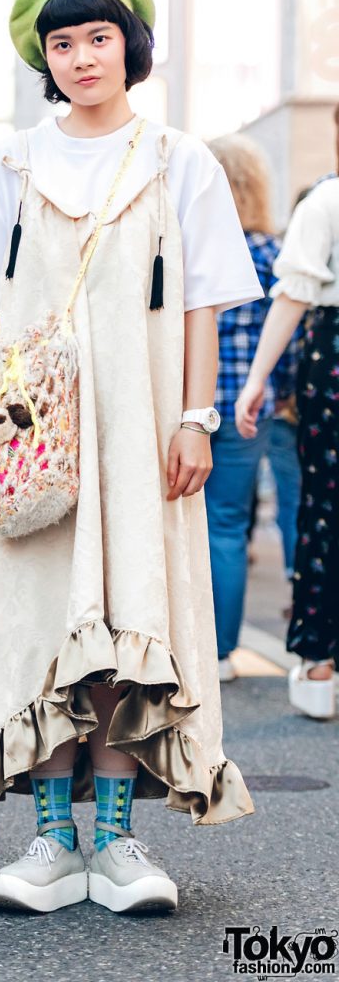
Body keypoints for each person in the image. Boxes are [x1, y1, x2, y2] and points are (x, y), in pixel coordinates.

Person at [0, 0, 261, 915]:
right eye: (62, 43)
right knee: (37, 624)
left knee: (127, 621)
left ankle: (116, 841)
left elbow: (203, 308)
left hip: (144, 428)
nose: (80, 57)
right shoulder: (8, 165)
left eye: (98, 37)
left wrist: (196, 418)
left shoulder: (179, 160)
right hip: (32, 438)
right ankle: (51, 842)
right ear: (45, 58)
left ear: (131, 46)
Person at [236, 166, 339, 721]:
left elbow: (293, 292)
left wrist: (258, 379)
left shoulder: (326, 200)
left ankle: (321, 665)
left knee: (324, 508)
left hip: (333, 358)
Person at [203, 135, 302, 682]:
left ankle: (180, 646)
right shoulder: (270, 253)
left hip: (187, 404)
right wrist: (279, 391)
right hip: (249, 409)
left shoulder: (192, 246)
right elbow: (283, 336)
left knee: (181, 526)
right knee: (228, 525)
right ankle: (221, 653)